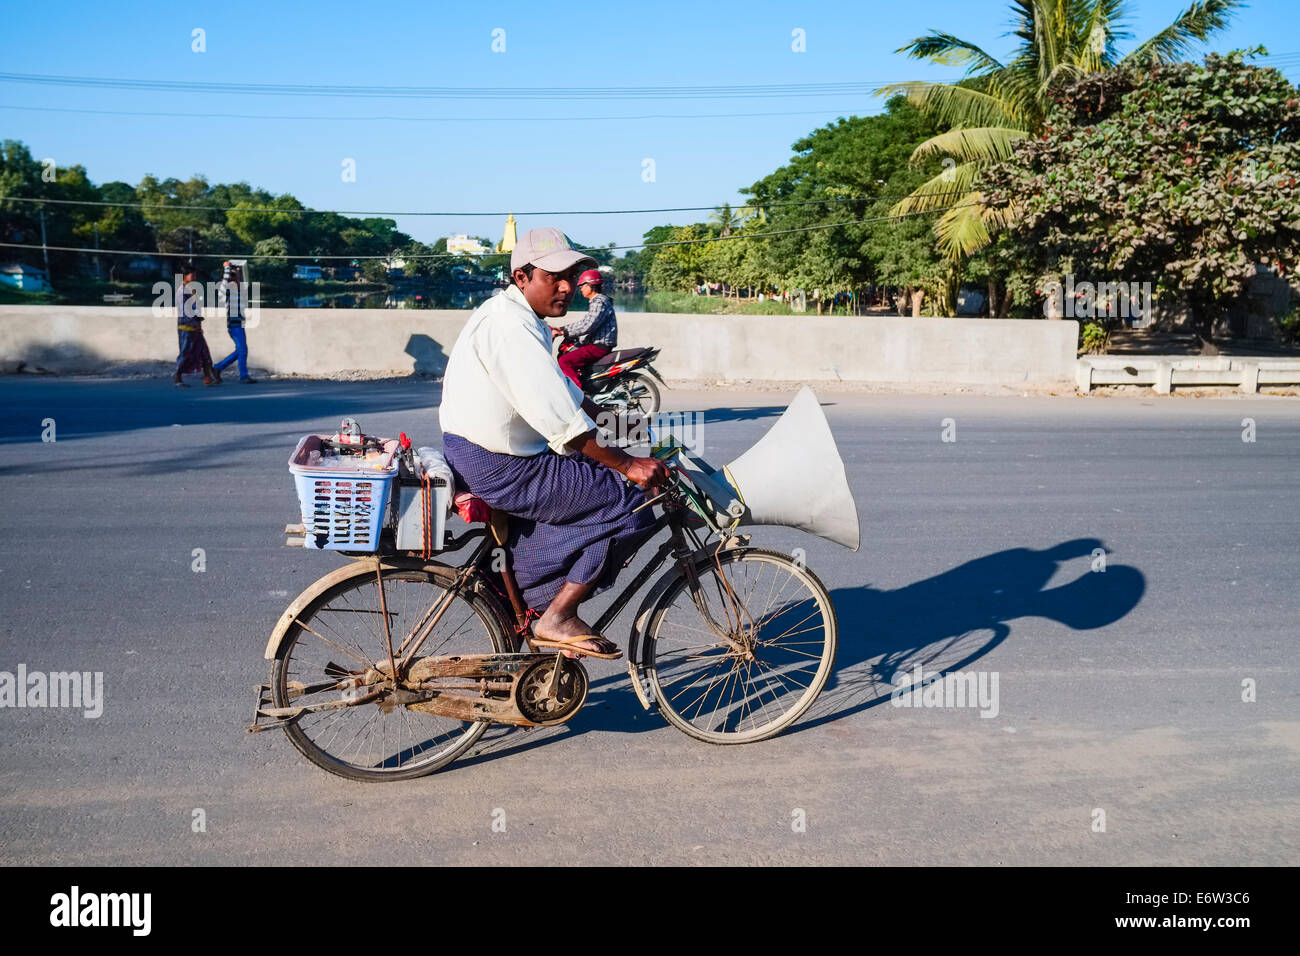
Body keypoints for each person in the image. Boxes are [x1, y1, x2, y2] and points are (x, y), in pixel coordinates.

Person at [438, 227, 669, 658]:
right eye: (554, 276)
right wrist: (628, 465)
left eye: (573, 275)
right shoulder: (512, 328)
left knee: (608, 488)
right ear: (522, 276)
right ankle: (557, 615)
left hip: (487, 453)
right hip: (504, 465)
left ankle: (528, 594)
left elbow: (569, 393)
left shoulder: (521, 318)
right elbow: (561, 421)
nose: (567, 287)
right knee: (636, 498)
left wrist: (627, 429)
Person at [554, 268, 616, 388]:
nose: (581, 288)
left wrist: (563, 331)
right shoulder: (598, 301)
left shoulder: (599, 301)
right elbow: (586, 323)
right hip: (596, 344)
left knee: (564, 361)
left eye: (582, 286)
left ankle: (577, 394)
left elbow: (588, 325)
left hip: (598, 346)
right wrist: (562, 329)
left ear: (590, 286)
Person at [172, 264, 219, 387]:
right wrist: (195, 317)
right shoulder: (182, 291)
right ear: (185, 276)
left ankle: (207, 377)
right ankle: (177, 377)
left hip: (195, 328)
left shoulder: (190, 289)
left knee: (204, 352)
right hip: (186, 328)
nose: (195, 277)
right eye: (192, 274)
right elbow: (185, 310)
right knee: (185, 353)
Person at [213, 261, 256, 383]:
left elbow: (244, 281)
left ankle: (218, 368)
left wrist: (237, 272)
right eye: (233, 276)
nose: (236, 278)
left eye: (236, 276)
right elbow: (223, 285)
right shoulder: (226, 291)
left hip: (239, 324)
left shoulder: (239, 291)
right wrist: (227, 269)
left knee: (241, 350)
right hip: (233, 324)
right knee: (242, 350)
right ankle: (243, 375)